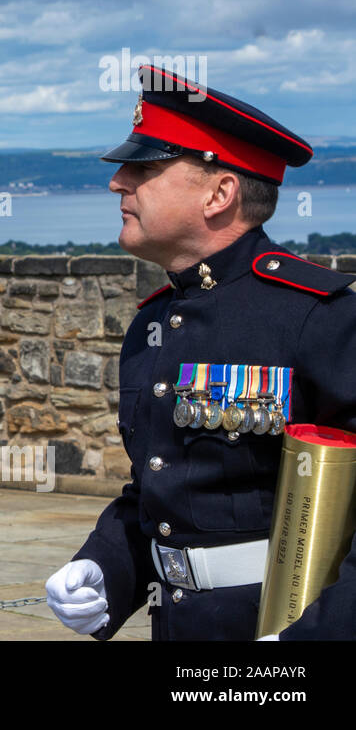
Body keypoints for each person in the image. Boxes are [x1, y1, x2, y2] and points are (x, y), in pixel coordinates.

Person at [45, 63, 356, 640]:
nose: (118, 183)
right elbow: (160, 492)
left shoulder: (318, 317)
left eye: (144, 167)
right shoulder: (153, 324)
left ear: (219, 192)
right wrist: (104, 570)